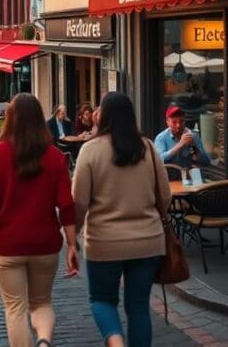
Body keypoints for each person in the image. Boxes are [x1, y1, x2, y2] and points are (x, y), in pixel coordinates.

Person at [73, 92, 170, 347]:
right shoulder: (147, 147)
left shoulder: (90, 150)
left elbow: (79, 202)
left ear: (102, 115)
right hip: (148, 241)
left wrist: (73, 236)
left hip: (104, 243)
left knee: (102, 300)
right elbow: (166, 196)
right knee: (138, 307)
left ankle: (115, 343)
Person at [0, 93, 78, 347]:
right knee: (42, 302)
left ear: (10, 119)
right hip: (45, 243)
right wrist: (72, 244)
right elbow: (66, 205)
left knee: (15, 308)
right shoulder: (55, 158)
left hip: (7, 243)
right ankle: (44, 340)